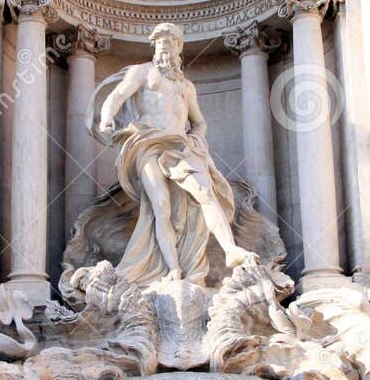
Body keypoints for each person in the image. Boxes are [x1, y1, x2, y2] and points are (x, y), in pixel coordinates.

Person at [94, 22, 255, 285]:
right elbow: (118, 95)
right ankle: (173, 269)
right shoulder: (142, 72)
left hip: (180, 147)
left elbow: (199, 122)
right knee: (161, 205)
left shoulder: (186, 86)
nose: (164, 47)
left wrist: (195, 140)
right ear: (154, 46)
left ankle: (230, 251)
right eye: (159, 42)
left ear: (179, 47)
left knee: (205, 192)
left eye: (169, 42)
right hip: (147, 143)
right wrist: (106, 118)